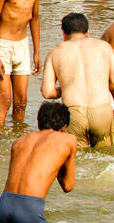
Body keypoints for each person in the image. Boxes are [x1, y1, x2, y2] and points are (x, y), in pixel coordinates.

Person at [0, 102, 77, 223]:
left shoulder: (19, 141)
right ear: (64, 126)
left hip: (3, 207)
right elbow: (68, 186)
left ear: (38, 123)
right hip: (29, 208)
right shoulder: (68, 139)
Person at [40, 13, 114, 149]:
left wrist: (66, 86)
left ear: (63, 33)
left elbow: (48, 92)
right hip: (101, 110)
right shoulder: (104, 47)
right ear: (87, 32)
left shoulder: (55, 52)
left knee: (77, 159)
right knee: (105, 155)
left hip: (73, 113)